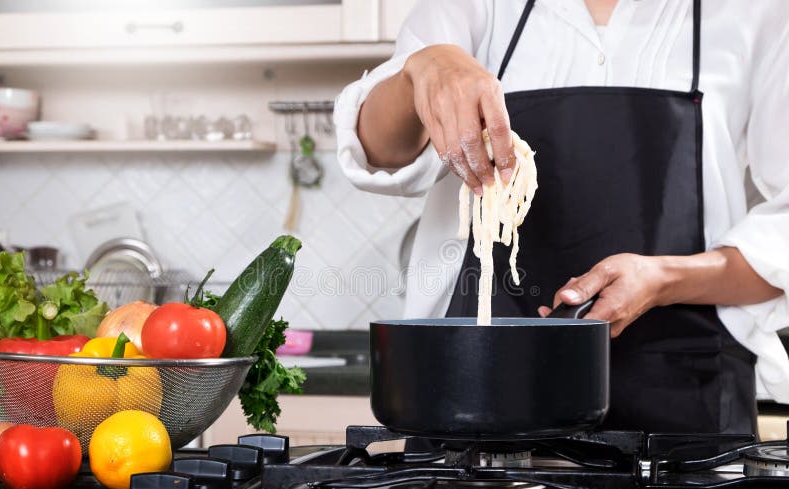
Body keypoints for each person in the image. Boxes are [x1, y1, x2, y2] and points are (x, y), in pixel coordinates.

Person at [335, 0, 789, 435]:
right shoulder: (474, 5)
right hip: (480, 392)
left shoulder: (758, 12)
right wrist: (422, 68)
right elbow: (378, 151)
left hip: (687, 396)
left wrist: (665, 277)